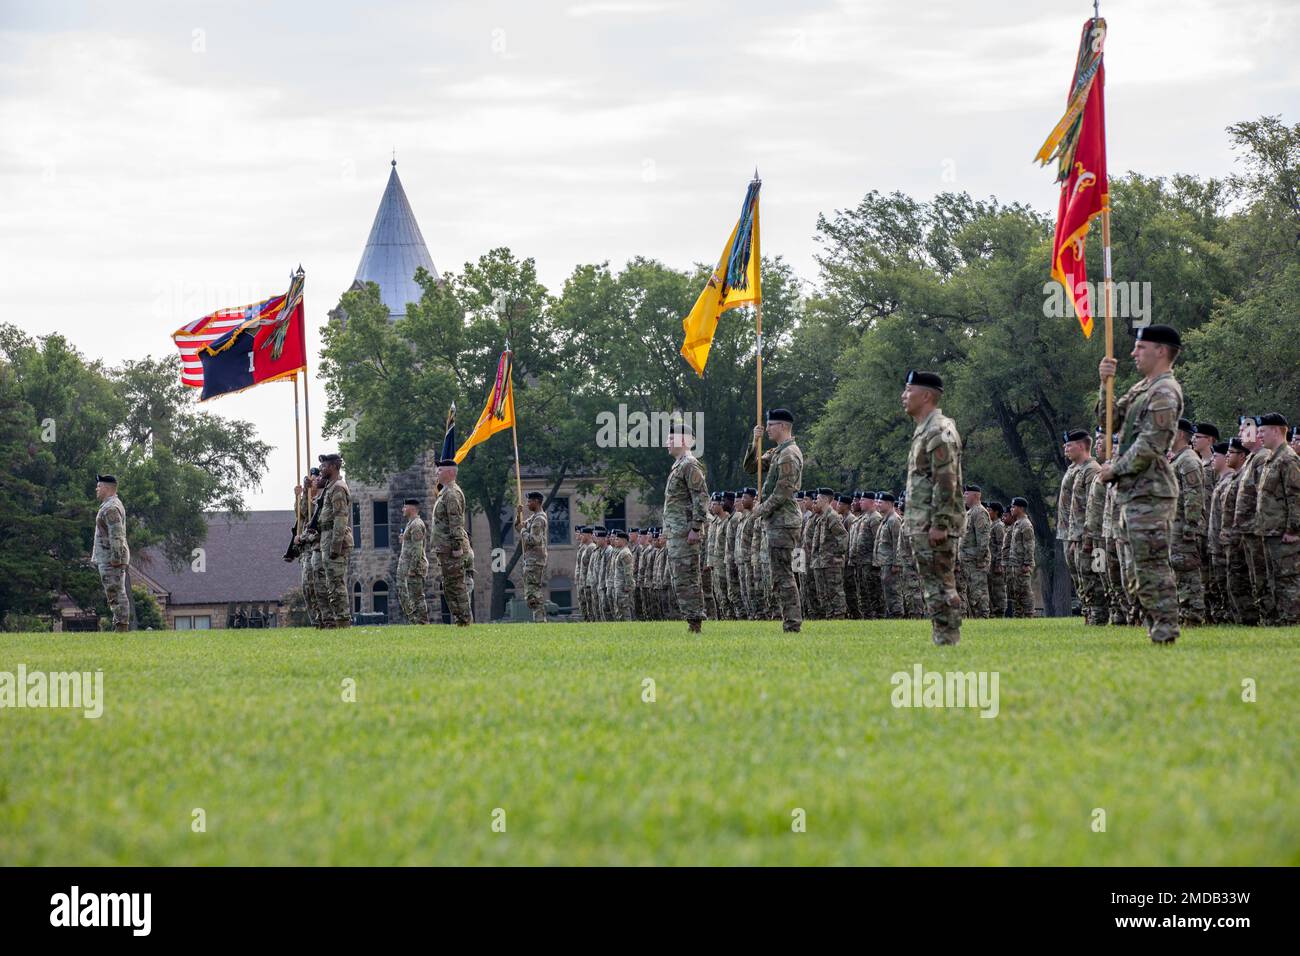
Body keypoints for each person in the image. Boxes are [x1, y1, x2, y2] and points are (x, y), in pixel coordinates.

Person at [1096, 325, 1185, 645]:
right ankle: (1155, 626)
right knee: (1133, 569)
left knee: (1150, 564)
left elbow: (1152, 444)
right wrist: (1105, 385)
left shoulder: (1164, 391)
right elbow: (1110, 422)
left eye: (1140, 347)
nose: (1133, 353)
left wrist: (1114, 469)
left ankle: (1165, 630)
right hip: (1132, 491)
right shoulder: (1141, 388)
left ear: (1161, 351)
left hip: (1151, 491)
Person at [901, 371, 965, 645]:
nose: (904, 396)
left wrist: (940, 522)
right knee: (933, 586)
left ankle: (948, 638)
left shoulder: (938, 430)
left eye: (908, 390)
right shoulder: (924, 429)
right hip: (922, 523)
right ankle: (943, 636)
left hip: (933, 524)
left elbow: (946, 480)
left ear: (926, 395)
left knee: (941, 585)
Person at [663, 422, 710, 632]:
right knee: (680, 578)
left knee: (688, 577)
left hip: (686, 533)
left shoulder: (690, 464)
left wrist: (696, 528)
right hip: (676, 533)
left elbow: (700, 497)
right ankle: (691, 621)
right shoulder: (678, 466)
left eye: (671, 439)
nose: (667, 443)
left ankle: (695, 623)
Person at [1255, 412, 1300, 624]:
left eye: (1262, 431)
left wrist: (1293, 530)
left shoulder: (1288, 459)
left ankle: (1293, 623)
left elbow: (1295, 496)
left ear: (1275, 430)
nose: (1259, 435)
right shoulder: (1271, 458)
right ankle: (1280, 624)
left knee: (1288, 582)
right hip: (1270, 532)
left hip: (1284, 534)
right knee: (1274, 582)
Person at [1169, 418, 1207, 626]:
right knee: (1179, 573)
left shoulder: (1188, 460)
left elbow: (1194, 496)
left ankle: (1193, 616)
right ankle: (1185, 615)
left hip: (1184, 528)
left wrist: (1190, 527)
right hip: (1174, 526)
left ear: (1180, 434)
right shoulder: (1177, 459)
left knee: (1188, 574)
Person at [432, 457, 472, 626]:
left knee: (457, 585)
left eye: (440, 470)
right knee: (449, 586)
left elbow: (455, 522)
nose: (436, 472)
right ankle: (460, 620)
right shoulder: (445, 492)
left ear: (450, 472)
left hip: (452, 549)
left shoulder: (452, 494)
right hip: (444, 548)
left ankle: (464, 620)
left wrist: (456, 546)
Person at [316, 453, 353, 629]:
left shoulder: (338, 488)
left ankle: (343, 622)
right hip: (326, 539)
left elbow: (340, 518)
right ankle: (338, 622)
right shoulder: (330, 488)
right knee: (331, 584)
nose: (321, 469)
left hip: (334, 541)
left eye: (324, 466)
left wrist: (335, 546)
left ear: (333, 467)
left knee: (337, 585)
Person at [92, 474, 131, 632]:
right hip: (108, 558)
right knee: (114, 592)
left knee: (116, 593)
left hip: (111, 559)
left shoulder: (111, 508)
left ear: (107, 488)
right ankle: (120, 626)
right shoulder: (109, 505)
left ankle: (121, 628)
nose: (97, 489)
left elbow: (116, 536)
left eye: (99, 486)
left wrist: (115, 559)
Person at [515, 491, 549, 623]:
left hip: (535, 559)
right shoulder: (534, 517)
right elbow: (518, 526)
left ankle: (540, 619)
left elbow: (533, 540)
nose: (527, 504)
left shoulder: (539, 519)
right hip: (530, 558)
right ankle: (539, 619)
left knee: (533, 591)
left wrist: (523, 531)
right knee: (531, 591)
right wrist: (518, 514)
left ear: (536, 502)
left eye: (529, 501)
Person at [959, 485, 992, 618]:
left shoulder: (979, 512)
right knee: (971, 598)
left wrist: (980, 560)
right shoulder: (970, 513)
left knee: (979, 597)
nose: (964, 497)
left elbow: (983, 540)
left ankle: (983, 623)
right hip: (967, 564)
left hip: (975, 564)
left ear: (976, 496)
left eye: (967, 494)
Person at [397, 497, 430, 624]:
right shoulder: (410, 523)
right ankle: (414, 621)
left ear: (411, 508)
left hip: (413, 569)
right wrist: (403, 540)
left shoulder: (416, 524)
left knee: (417, 597)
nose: (402, 510)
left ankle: (422, 623)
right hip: (406, 568)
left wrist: (412, 569)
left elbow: (417, 549)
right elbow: (411, 545)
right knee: (406, 595)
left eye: (404, 507)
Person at [1007, 497, 1037, 617]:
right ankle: (1018, 615)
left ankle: (1029, 614)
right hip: (1015, 564)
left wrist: (1027, 563)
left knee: (1025, 591)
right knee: (1016, 591)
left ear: (1020, 508)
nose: (1011, 509)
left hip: (1021, 565)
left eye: (1013, 507)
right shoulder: (1017, 523)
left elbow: (1029, 545)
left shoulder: (1025, 524)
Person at [986, 501, 1007, 617]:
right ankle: (993, 612)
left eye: (989, 510)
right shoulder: (991, 525)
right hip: (990, 564)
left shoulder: (999, 526)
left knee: (998, 590)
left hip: (996, 565)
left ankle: (999, 612)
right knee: (991, 589)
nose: (988, 512)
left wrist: (999, 564)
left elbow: (1001, 546)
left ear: (996, 512)